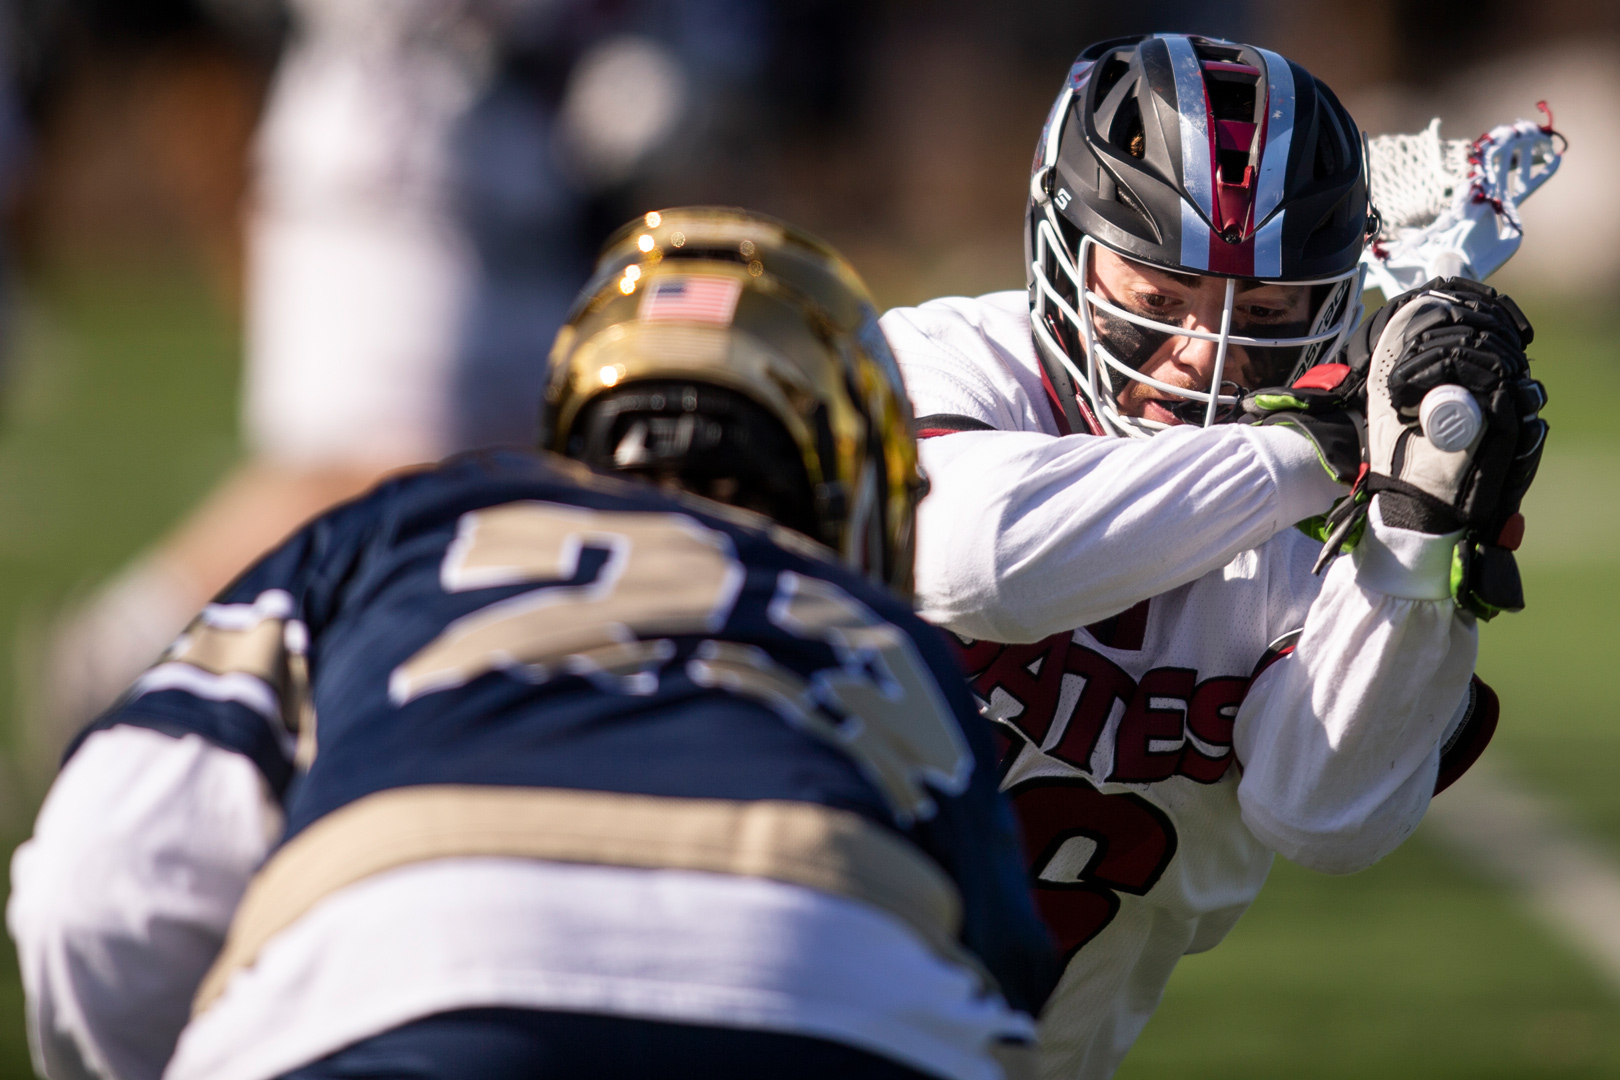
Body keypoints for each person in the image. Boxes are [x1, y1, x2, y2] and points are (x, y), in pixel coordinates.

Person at [8, 208, 1058, 1080]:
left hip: (383, 999)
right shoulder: (891, 644)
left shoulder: (392, 532)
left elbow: (94, 889)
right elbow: (1008, 1004)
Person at [878, 34, 1547, 1079]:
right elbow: (970, 559)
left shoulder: (1334, 495)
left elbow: (1323, 812)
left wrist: (1422, 526)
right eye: (1154, 301)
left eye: (1270, 315)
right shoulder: (946, 361)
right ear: (1063, 249)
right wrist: (1323, 443)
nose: (1206, 353)